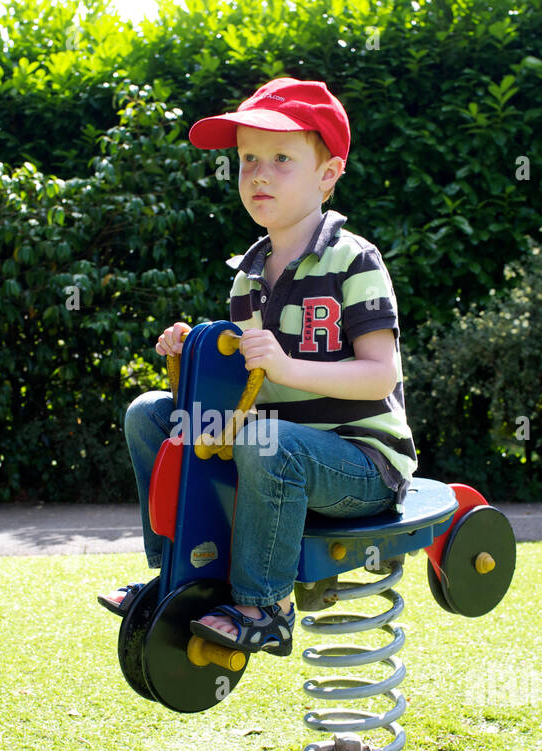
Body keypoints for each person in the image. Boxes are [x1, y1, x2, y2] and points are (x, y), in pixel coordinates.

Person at [100, 77, 417, 658]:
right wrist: (194, 355)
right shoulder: (246, 278)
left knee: (269, 444)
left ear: (328, 174)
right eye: (248, 159)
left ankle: (266, 608)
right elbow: (244, 392)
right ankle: (176, 573)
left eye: (281, 159)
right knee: (151, 415)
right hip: (272, 449)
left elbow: (379, 375)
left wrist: (288, 368)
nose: (259, 174)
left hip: (362, 464)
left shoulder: (353, 260)